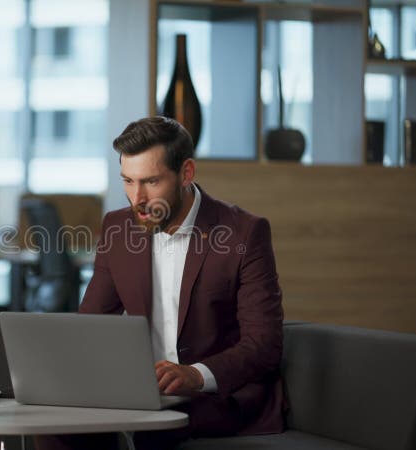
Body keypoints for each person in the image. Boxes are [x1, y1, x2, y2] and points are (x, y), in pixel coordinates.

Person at [34, 116, 285, 450]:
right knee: (53, 426)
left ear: (186, 173)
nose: (137, 198)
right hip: (139, 393)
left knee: (156, 430)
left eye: (151, 182)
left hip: (215, 397)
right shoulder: (118, 228)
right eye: (128, 181)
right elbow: (91, 325)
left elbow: (264, 344)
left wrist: (195, 375)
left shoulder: (244, 232)